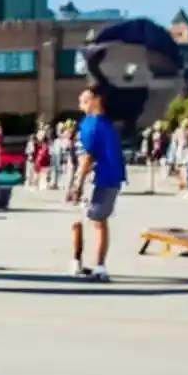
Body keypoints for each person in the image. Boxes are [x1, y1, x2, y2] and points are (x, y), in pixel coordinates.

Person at [66, 85, 126, 281]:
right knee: (98, 222)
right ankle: (95, 264)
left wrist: (77, 183)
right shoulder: (107, 125)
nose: (80, 105)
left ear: (95, 100)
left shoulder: (91, 125)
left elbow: (87, 157)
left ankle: (83, 263)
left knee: (85, 220)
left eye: (84, 101)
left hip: (96, 179)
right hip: (111, 177)